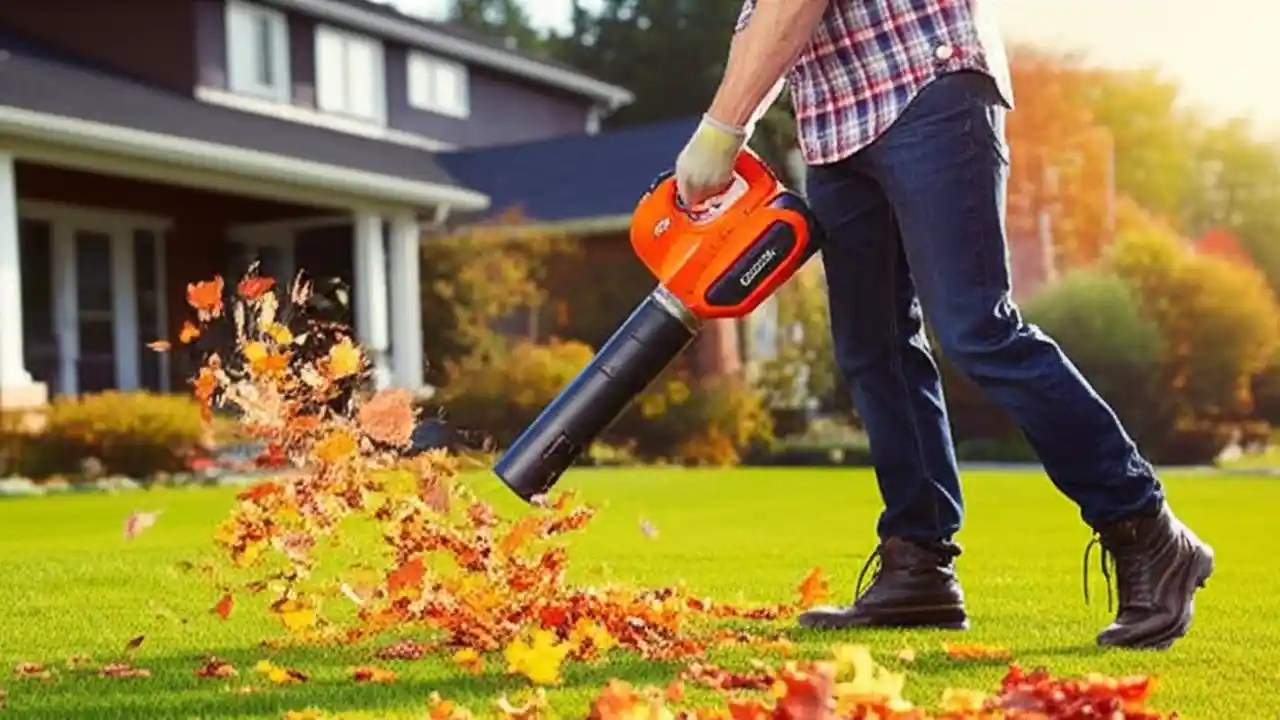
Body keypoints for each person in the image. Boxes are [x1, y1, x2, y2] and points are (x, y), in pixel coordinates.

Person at [673, 0, 1214, 650]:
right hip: (835, 126)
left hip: (924, 83)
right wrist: (730, 125)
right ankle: (918, 563)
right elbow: (764, 22)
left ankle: (1145, 528)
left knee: (976, 328)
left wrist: (721, 129)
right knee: (874, 351)